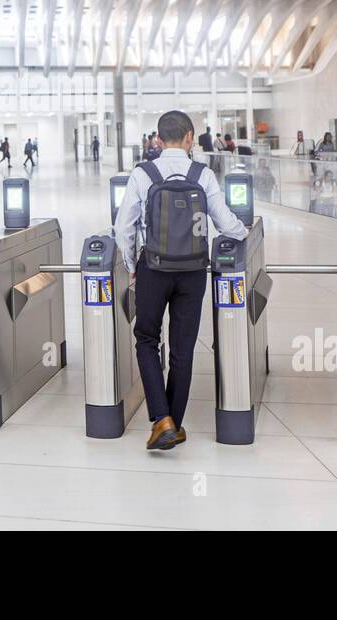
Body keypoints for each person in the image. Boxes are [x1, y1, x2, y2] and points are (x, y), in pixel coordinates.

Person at [114, 110, 247, 451]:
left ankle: (161, 420)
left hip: (154, 269)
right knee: (183, 349)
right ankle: (173, 421)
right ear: (190, 137)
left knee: (146, 339)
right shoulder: (202, 175)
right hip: (192, 271)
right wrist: (246, 232)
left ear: (157, 140)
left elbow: (123, 227)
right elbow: (224, 220)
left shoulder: (143, 174)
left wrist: (132, 263)